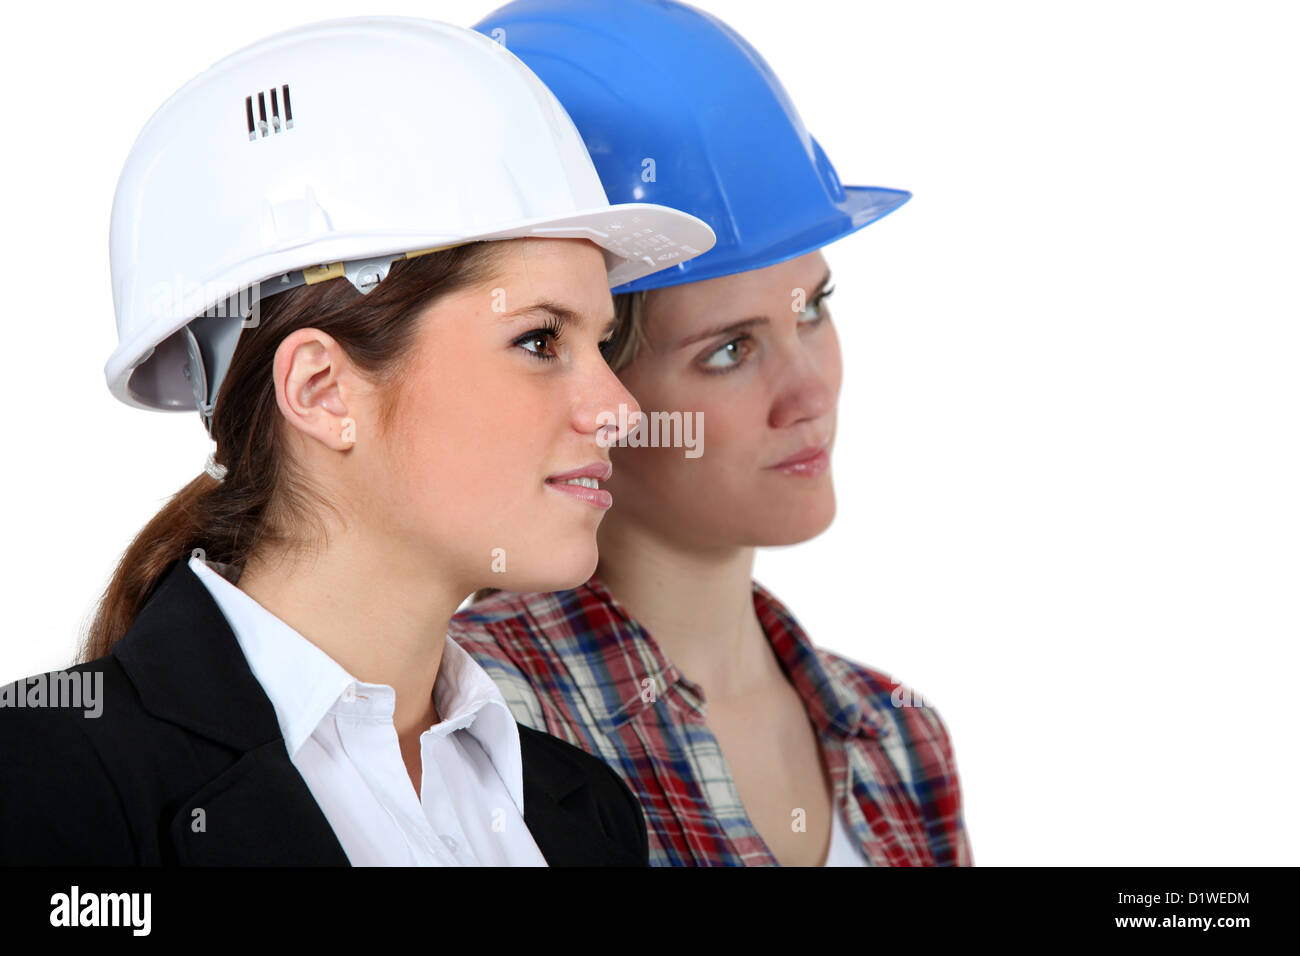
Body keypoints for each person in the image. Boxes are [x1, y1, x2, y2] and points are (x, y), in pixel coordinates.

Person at [0, 15, 715, 866]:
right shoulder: (42, 785)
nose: (619, 409)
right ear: (321, 390)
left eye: (602, 343)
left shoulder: (584, 810)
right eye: (539, 341)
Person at [451, 0, 973, 866]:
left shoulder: (898, 742)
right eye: (729, 350)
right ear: (583, 382)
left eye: (814, 310)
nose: (809, 390)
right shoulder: (476, 721)